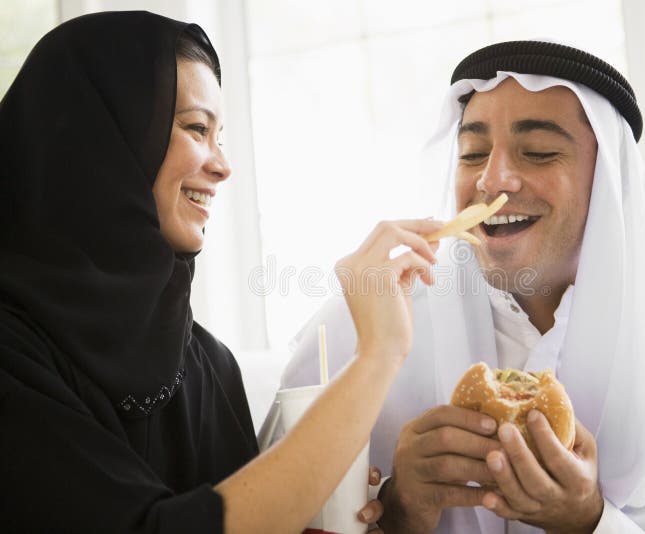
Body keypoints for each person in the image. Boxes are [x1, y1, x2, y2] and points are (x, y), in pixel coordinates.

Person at [282, 41, 645, 533]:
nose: (492, 180)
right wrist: (398, 511)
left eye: (538, 153)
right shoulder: (352, 335)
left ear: (607, 184)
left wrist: (589, 521)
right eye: (473, 153)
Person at [0, 11, 443, 533]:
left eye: (221, 136)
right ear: (97, 141)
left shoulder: (207, 363)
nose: (222, 165)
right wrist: (379, 355)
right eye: (195, 128)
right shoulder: (12, 352)